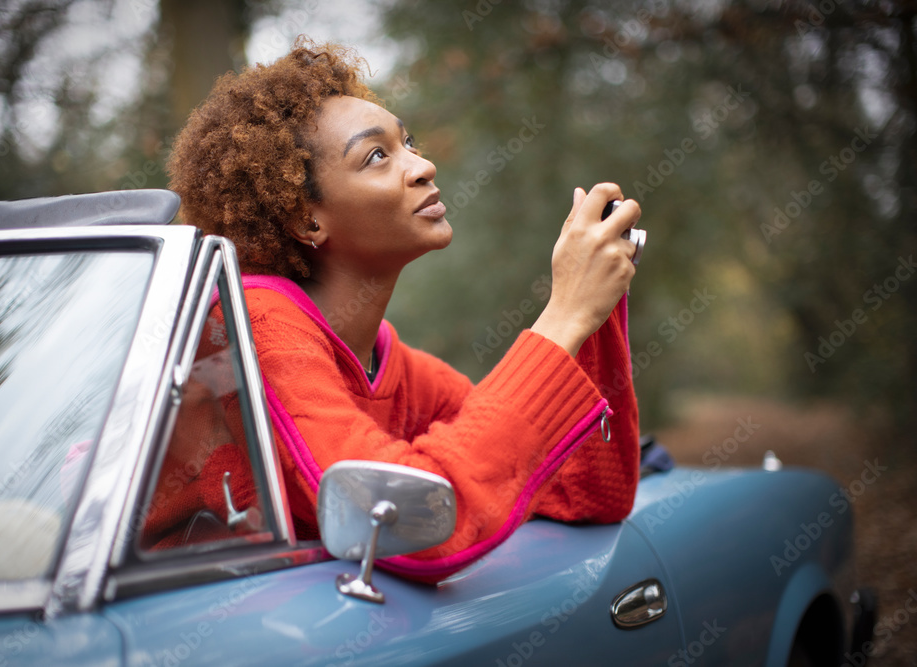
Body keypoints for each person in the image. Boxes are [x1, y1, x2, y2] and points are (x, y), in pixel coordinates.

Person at [162, 37, 642, 582]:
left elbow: (586, 493)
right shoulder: (255, 330)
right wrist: (563, 316)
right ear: (307, 219)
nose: (423, 165)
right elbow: (407, 532)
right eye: (376, 156)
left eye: (408, 142)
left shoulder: (397, 369)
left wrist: (594, 314)